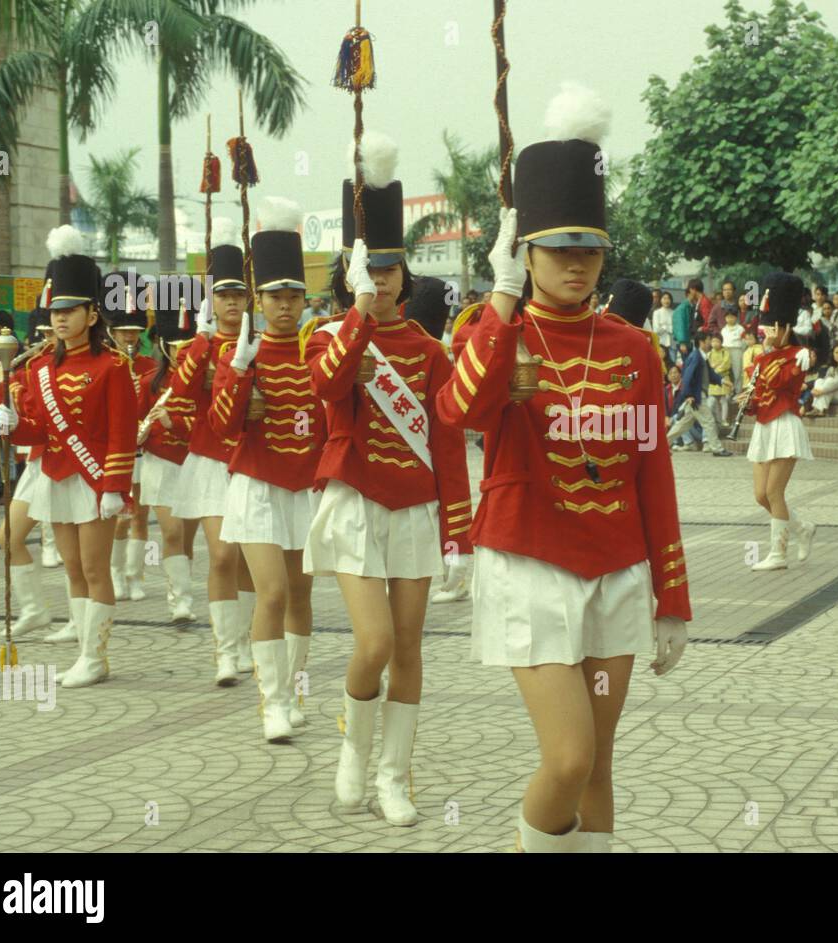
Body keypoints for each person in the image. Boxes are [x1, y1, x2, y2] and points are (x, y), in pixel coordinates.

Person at [434, 86, 690, 852]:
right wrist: (502, 302)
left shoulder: (635, 349)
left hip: (617, 566)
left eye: (589, 246)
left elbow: (654, 474)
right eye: (557, 248)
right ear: (526, 252)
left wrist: (671, 592)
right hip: (530, 562)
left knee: (599, 764)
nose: (576, 263)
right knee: (568, 754)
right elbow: (458, 415)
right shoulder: (493, 332)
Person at [305, 139, 472, 824]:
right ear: (352, 274)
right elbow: (324, 384)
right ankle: (354, 749)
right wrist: (354, 313)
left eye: (391, 266)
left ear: (406, 273)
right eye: (370, 267)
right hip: (354, 503)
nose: (383, 276)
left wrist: (459, 533)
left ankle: (395, 774)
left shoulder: (431, 352)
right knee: (371, 642)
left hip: (413, 510)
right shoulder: (331, 335)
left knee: (407, 646)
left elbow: (448, 443)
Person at [0, 225, 138, 688]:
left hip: (95, 480)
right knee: (74, 567)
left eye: (69, 310)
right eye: (55, 310)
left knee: (96, 567)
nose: (59, 318)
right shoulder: (39, 368)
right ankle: (84, 651)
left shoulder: (113, 365)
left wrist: (116, 487)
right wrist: (13, 422)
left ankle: (96, 657)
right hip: (58, 474)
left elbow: (122, 432)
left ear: (92, 313)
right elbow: (41, 428)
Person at [211, 200, 327, 736]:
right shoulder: (242, 356)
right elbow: (219, 430)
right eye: (275, 296)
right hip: (257, 485)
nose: (285, 305)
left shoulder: (320, 351)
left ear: (306, 299)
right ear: (257, 300)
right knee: (272, 592)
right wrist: (238, 375)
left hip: (304, 490)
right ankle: (273, 702)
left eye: (293, 295)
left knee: (301, 595)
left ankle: (295, 688)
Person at [167, 221, 256, 670]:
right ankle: (225, 652)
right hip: (209, 459)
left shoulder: (262, 344)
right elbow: (180, 395)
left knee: (247, 560)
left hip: (255, 461)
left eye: (239, 295)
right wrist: (202, 342)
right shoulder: (196, 346)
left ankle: (244, 642)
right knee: (222, 554)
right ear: (212, 301)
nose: (232, 303)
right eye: (223, 295)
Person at [133, 279, 203, 631]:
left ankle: (181, 589)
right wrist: (142, 432)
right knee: (172, 532)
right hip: (160, 463)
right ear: (163, 344)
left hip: (193, 463)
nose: (181, 352)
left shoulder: (206, 380)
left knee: (187, 537)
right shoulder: (149, 382)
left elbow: (212, 425)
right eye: (174, 345)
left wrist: (176, 422)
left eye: (187, 345)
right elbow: (134, 426)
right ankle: (180, 602)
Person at [736, 272, 816, 571]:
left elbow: (783, 383)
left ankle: (778, 554)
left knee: (774, 492)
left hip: (785, 424)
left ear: (783, 327)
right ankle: (802, 529)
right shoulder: (759, 359)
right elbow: (759, 400)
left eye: (770, 330)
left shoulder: (799, 354)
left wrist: (772, 354)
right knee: (760, 495)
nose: (764, 336)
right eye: (763, 331)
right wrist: (747, 402)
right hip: (765, 426)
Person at [0, 304, 55, 641]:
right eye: (41, 334)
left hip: (69, 464)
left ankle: (84, 623)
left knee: (77, 557)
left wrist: (13, 389)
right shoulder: (30, 368)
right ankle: (34, 609)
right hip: (38, 463)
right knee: (7, 538)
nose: (45, 339)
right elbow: (20, 424)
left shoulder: (58, 368)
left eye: (50, 334)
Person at [105, 279, 157, 602]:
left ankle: (135, 574)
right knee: (120, 516)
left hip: (145, 449)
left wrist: (149, 425)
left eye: (134, 330)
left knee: (141, 515)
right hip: (117, 451)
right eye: (123, 329)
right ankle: (115, 574)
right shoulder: (107, 364)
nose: (129, 335)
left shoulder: (150, 365)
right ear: (111, 330)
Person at [667, 331, 731, 457]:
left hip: (695, 395)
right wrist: (689, 395)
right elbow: (687, 377)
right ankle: (717, 448)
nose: (710, 343)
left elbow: (710, 374)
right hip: (696, 396)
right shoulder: (696, 357)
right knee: (709, 421)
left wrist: (722, 380)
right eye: (709, 340)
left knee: (684, 424)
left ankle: (661, 445)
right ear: (702, 342)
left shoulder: (701, 356)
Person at [706, 333, 732, 426]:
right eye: (713, 341)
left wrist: (715, 370)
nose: (715, 343)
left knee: (723, 400)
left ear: (721, 342)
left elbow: (726, 364)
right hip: (713, 381)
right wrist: (713, 370)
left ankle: (724, 419)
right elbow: (708, 366)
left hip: (723, 378)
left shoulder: (725, 352)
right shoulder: (709, 354)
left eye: (717, 341)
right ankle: (717, 420)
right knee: (714, 401)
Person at [721, 307, 747, 393]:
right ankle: (728, 392)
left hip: (737, 351)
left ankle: (738, 391)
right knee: (727, 373)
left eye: (732, 317)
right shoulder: (723, 330)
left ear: (736, 317)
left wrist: (741, 353)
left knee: (737, 372)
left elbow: (744, 343)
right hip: (725, 352)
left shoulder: (740, 329)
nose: (730, 319)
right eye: (728, 317)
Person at [651, 290, 674, 356]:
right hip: (661, 343)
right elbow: (656, 330)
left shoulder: (674, 312)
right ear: (660, 300)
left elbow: (674, 329)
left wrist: (663, 326)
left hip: (672, 344)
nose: (666, 300)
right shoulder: (657, 313)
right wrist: (667, 327)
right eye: (664, 298)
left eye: (668, 298)